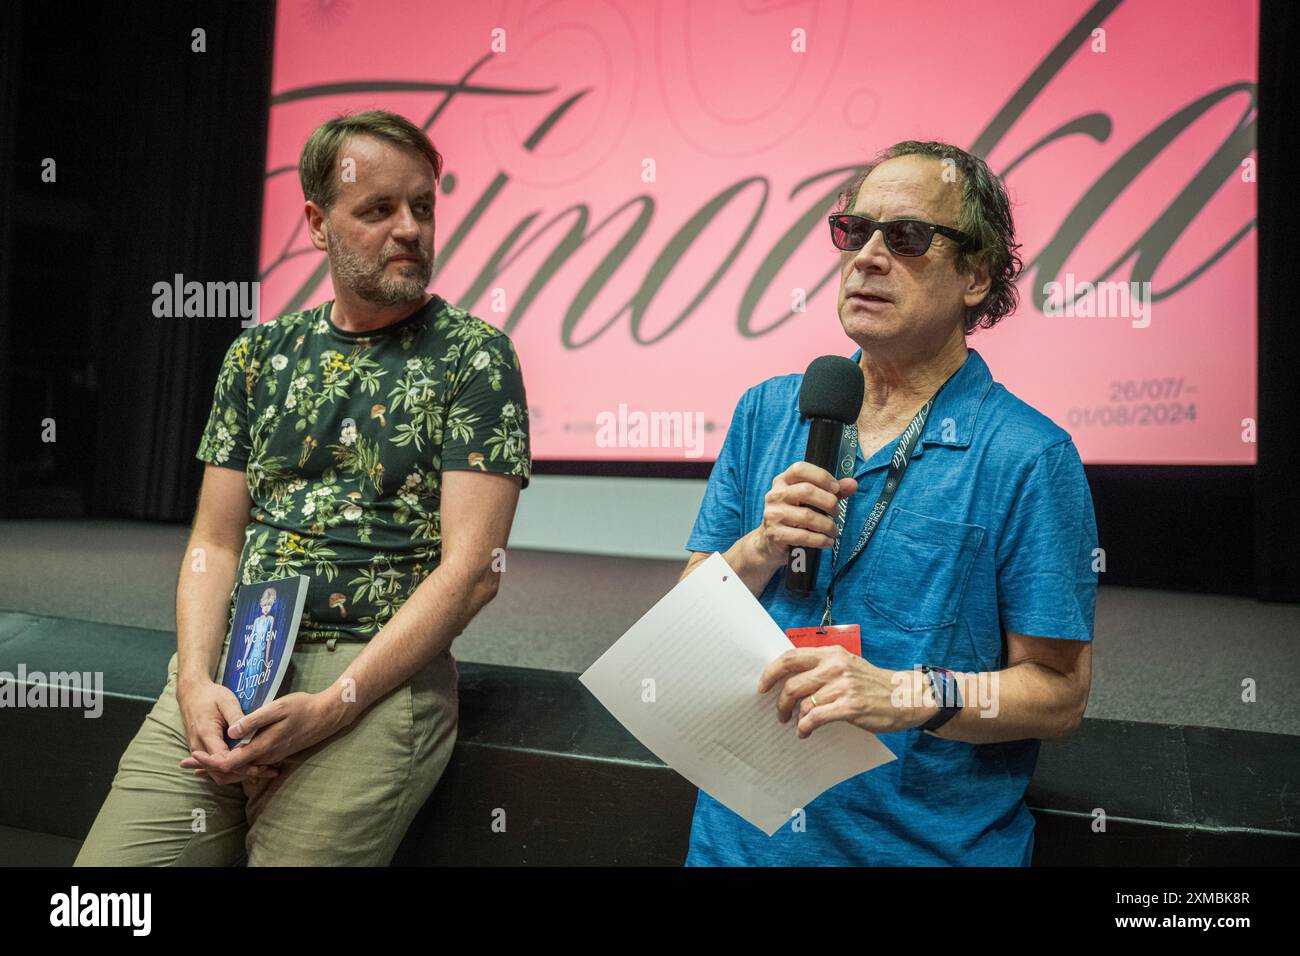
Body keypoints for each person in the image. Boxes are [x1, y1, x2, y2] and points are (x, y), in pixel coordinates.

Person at [75, 109, 531, 866]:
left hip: (370, 683)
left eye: (423, 206)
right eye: (379, 209)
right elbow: (213, 544)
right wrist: (192, 681)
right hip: (232, 670)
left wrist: (334, 705)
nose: (410, 229)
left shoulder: (474, 358)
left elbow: (473, 572)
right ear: (318, 223)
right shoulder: (259, 354)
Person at [679, 140, 1096, 866]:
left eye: (904, 237)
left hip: (920, 850)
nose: (867, 256)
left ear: (976, 274)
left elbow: (1059, 695)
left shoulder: (1028, 456)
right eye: (854, 231)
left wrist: (911, 696)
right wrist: (758, 548)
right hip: (739, 843)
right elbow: (686, 623)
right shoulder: (768, 411)